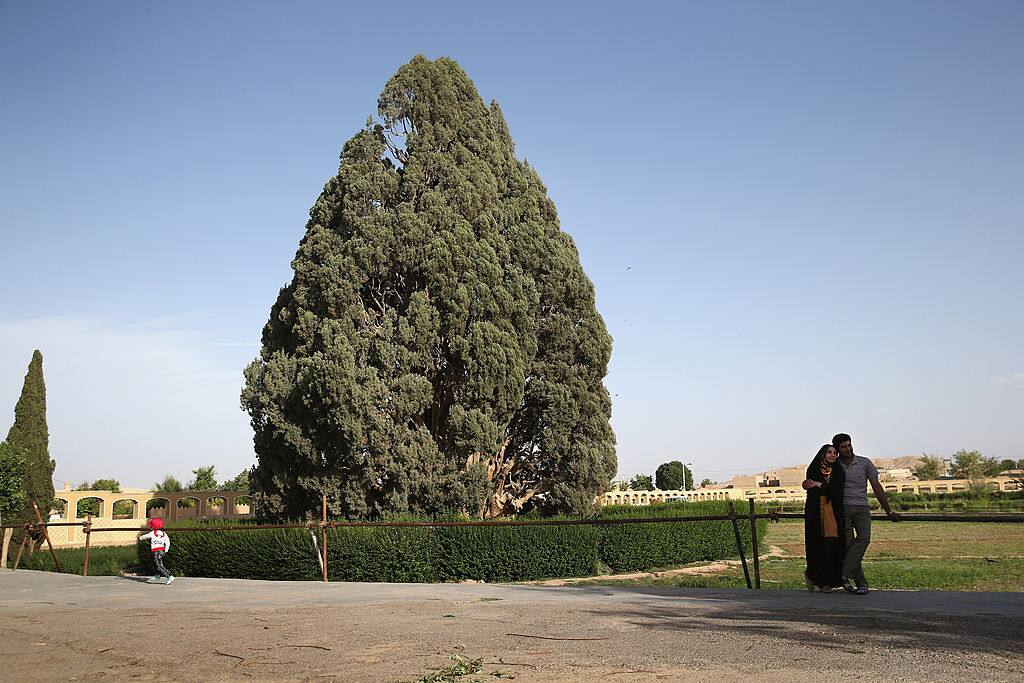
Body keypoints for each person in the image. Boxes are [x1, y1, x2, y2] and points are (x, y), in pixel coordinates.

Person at [833, 433, 899, 595]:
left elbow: (876, 486)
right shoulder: (835, 465)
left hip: (862, 507)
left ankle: (844, 574)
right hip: (842, 509)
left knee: (864, 538)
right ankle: (861, 584)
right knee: (849, 546)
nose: (848, 449)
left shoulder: (864, 462)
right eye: (843, 447)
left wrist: (888, 510)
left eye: (849, 445)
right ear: (838, 449)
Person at [801, 444, 846, 592]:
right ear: (823, 454)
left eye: (835, 453)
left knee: (831, 542)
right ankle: (820, 581)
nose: (833, 455)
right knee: (816, 544)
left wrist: (818, 484)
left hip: (832, 510)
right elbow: (811, 488)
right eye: (829, 452)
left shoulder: (838, 471)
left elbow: (836, 491)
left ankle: (819, 577)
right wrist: (822, 487)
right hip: (815, 511)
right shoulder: (813, 469)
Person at [139, 517, 174, 584]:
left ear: (153, 526)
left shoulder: (152, 533)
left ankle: (169, 576)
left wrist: (140, 538)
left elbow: (145, 536)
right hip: (161, 551)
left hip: (155, 552)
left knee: (158, 566)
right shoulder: (164, 534)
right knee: (155, 563)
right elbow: (168, 542)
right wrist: (166, 550)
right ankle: (157, 575)